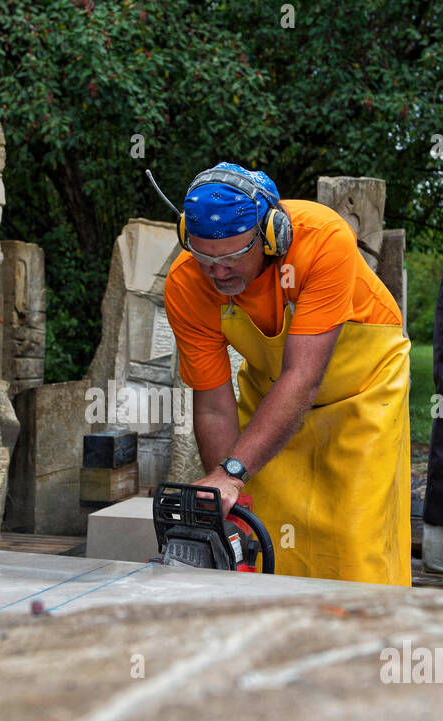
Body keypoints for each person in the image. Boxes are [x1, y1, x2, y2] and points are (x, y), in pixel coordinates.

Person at [161, 162, 411, 585]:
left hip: (364, 393)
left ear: (273, 235)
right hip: (272, 395)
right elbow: (214, 406)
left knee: (355, 540)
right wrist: (230, 499)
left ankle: (367, 643)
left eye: (233, 258)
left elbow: (303, 375)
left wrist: (233, 472)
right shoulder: (186, 285)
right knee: (270, 539)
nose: (217, 273)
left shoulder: (323, 240)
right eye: (204, 258)